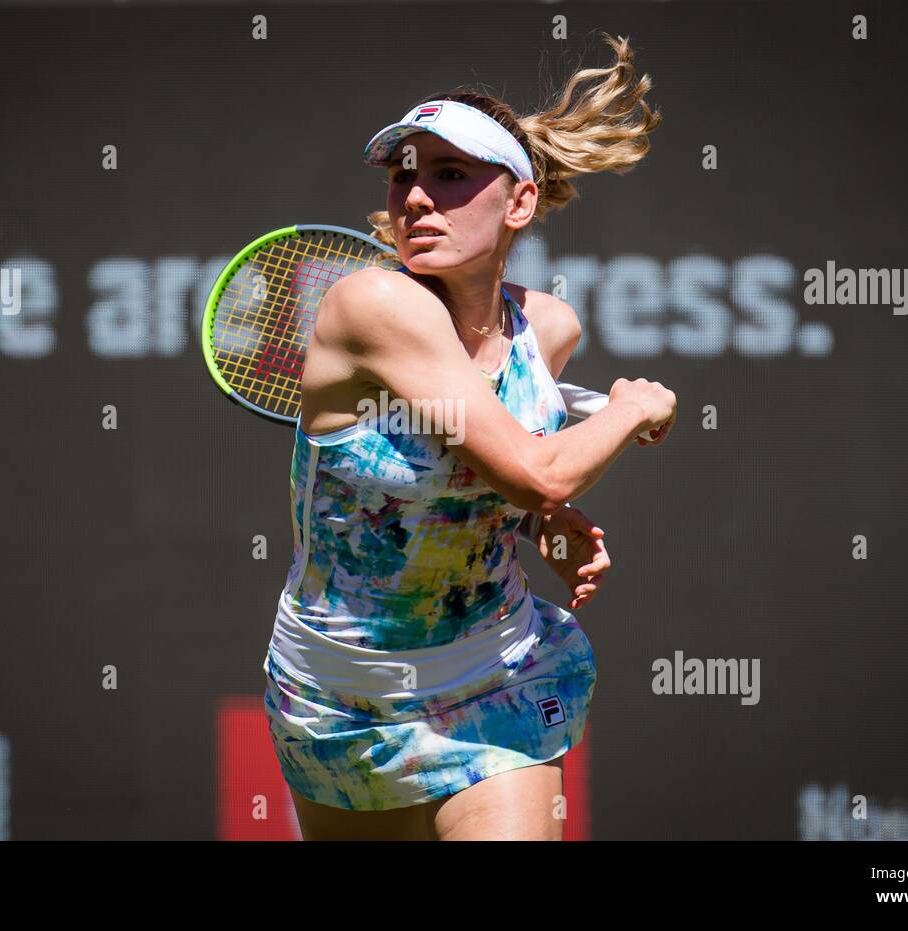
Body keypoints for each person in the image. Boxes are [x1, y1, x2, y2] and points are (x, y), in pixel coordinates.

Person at [262, 32, 676, 840]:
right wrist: (632, 406)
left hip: (498, 672)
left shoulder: (548, 330)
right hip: (340, 697)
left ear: (519, 201)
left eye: (450, 175)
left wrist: (534, 527)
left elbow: (498, 484)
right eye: (403, 176)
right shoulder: (371, 305)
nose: (416, 196)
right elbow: (535, 470)